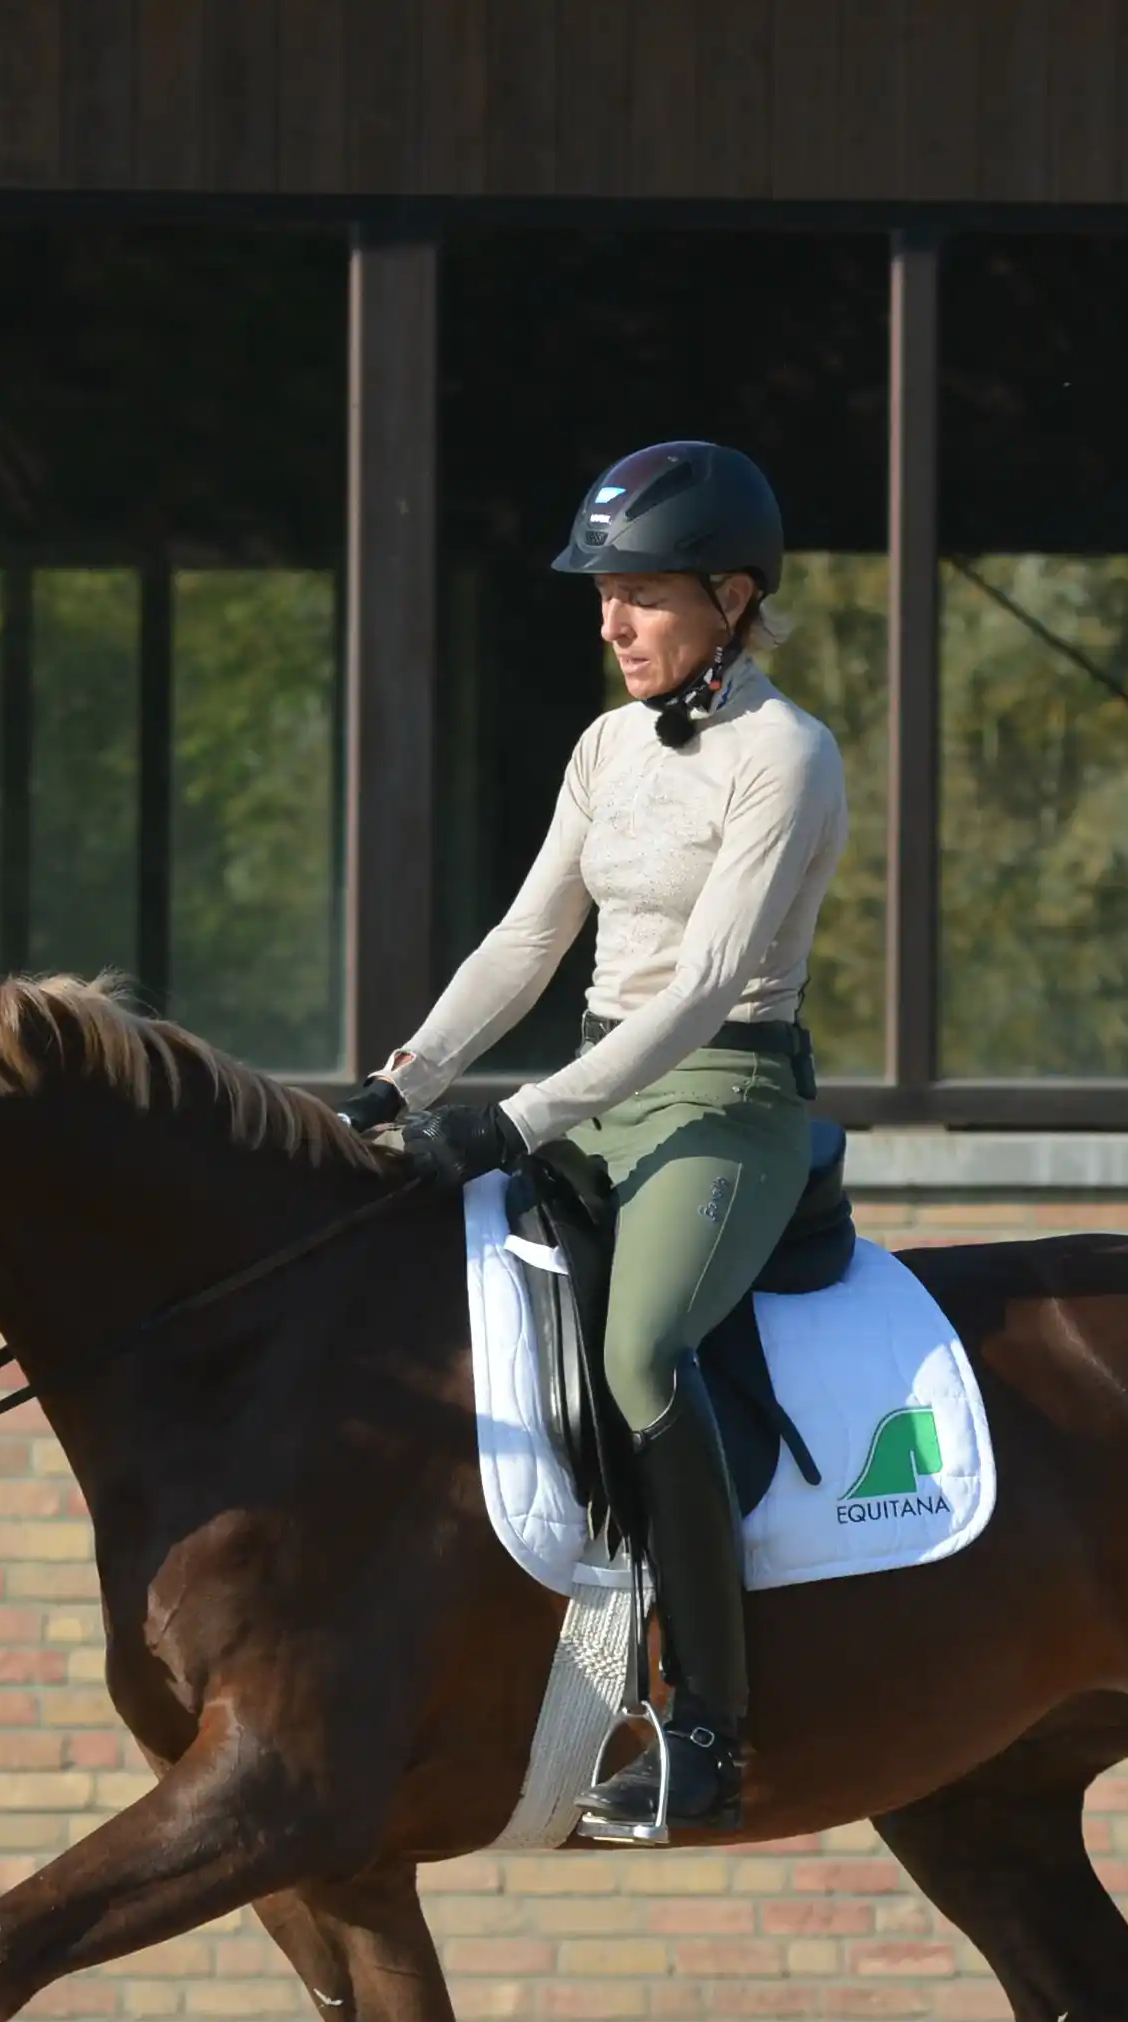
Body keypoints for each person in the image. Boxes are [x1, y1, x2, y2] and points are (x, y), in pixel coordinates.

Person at [337, 440, 848, 1841]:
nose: (613, 624)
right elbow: (528, 936)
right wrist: (407, 1078)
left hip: (726, 1099)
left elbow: (699, 991)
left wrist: (513, 1116)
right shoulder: (608, 746)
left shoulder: (786, 758)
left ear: (734, 600)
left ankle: (709, 1729)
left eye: (645, 598)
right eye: (603, 596)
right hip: (594, 1096)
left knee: (636, 1354)